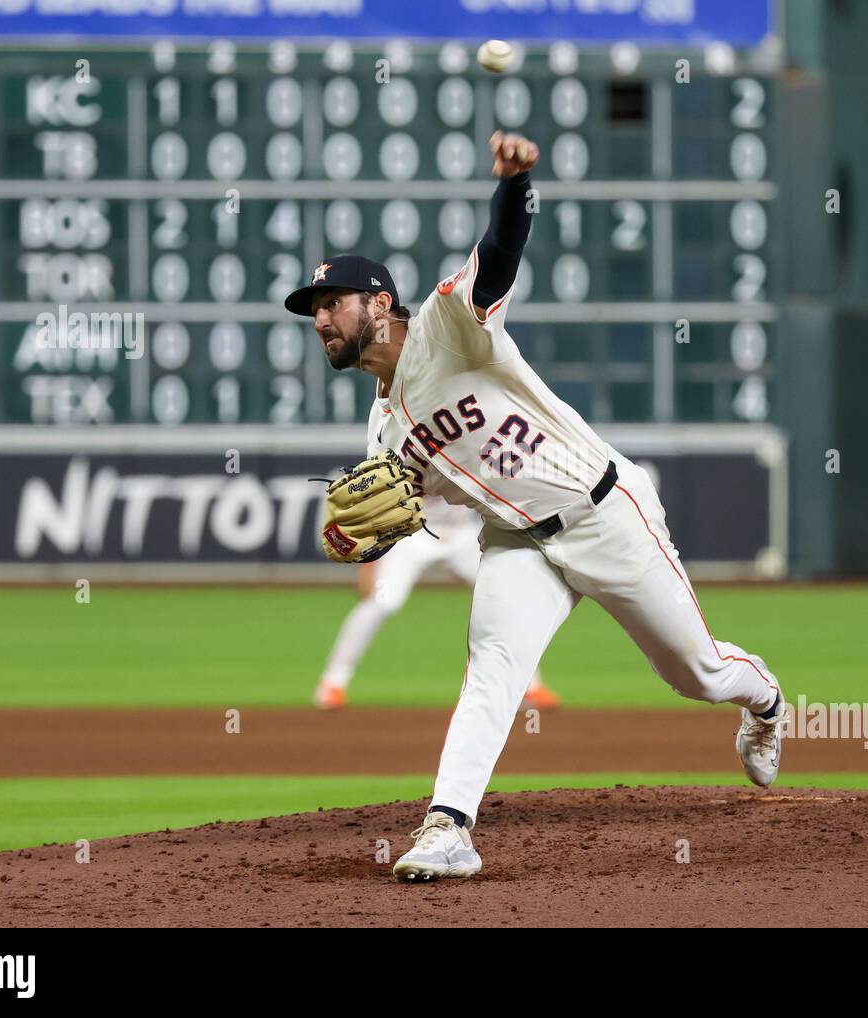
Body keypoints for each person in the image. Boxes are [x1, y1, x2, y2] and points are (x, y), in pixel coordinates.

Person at [284, 131, 785, 883]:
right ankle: (449, 828)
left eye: (331, 304)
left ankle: (768, 703)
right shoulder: (381, 428)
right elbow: (401, 515)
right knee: (493, 664)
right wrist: (366, 541)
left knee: (697, 674)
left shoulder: (448, 327)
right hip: (518, 543)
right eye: (313, 310)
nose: (319, 319)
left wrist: (515, 185)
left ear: (379, 304)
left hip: (605, 511)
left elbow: (501, 248)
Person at [314, 495, 561, 712]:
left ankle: (529, 686)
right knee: (382, 601)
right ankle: (332, 683)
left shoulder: (475, 445)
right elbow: (375, 499)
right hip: (411, 536)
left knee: (508, 600)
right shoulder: (409, 447)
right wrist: (367, 563)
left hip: (463, 536)